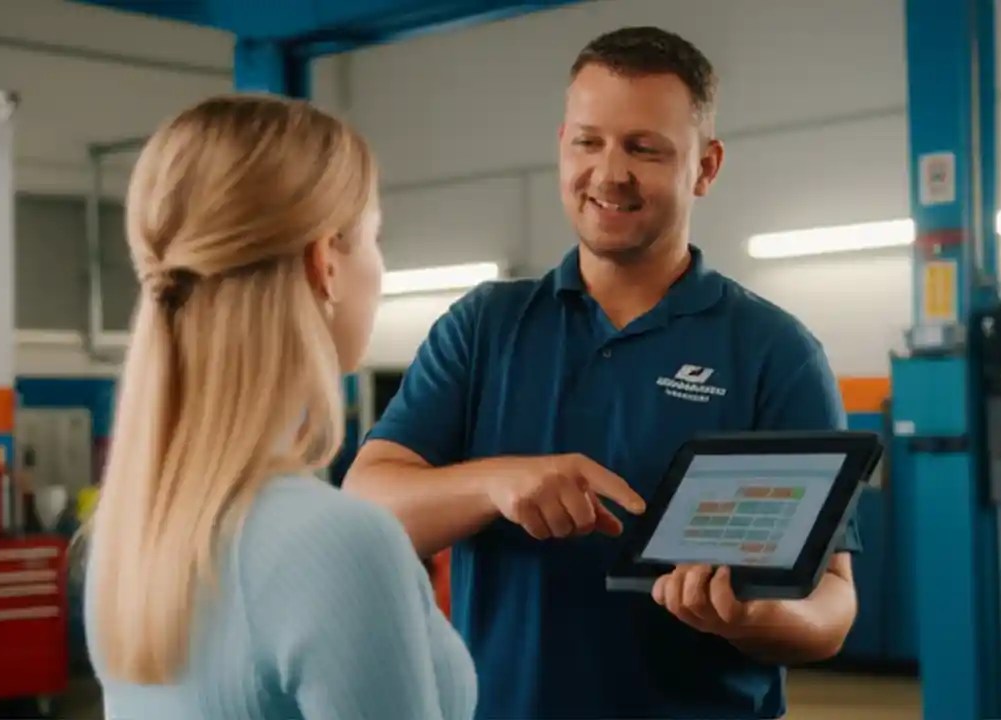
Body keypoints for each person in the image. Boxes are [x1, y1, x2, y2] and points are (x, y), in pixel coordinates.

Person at [344, 26, 860, 720]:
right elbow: (369, 503)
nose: (609, 173)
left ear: (705, 167)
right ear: (563, 144)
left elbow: (833, 602)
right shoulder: (485, 327)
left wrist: (747, 617)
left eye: (645, 149)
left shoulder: (774, 352)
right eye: (589, 141)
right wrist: (497, 481)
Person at [81, 95, 477, 720]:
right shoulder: (340, 540)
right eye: (374, 237)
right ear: (325, 264)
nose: (378, 263)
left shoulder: (134, 533)